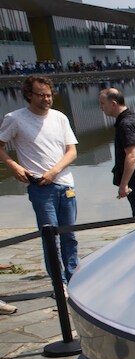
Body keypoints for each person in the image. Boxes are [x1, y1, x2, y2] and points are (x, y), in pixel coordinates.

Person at [0, 76, 79, 284]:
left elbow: (72, 152)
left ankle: (74, 278)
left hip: (65, 184)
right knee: (51, 238)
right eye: (41, 95)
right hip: (41, 188)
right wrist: (15, 166)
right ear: (29, 95)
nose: (47, 99)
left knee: (70, 236)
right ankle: (59, 284)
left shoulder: (60, 117)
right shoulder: (15, 118)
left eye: (49, 95)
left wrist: (54, 171)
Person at [98, 87, 135, 216]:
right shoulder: (134, 117)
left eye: (102, 103)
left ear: (113, 103)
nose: (101, 108)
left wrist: (124, 184)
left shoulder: (125, 124)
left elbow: (131, 156)